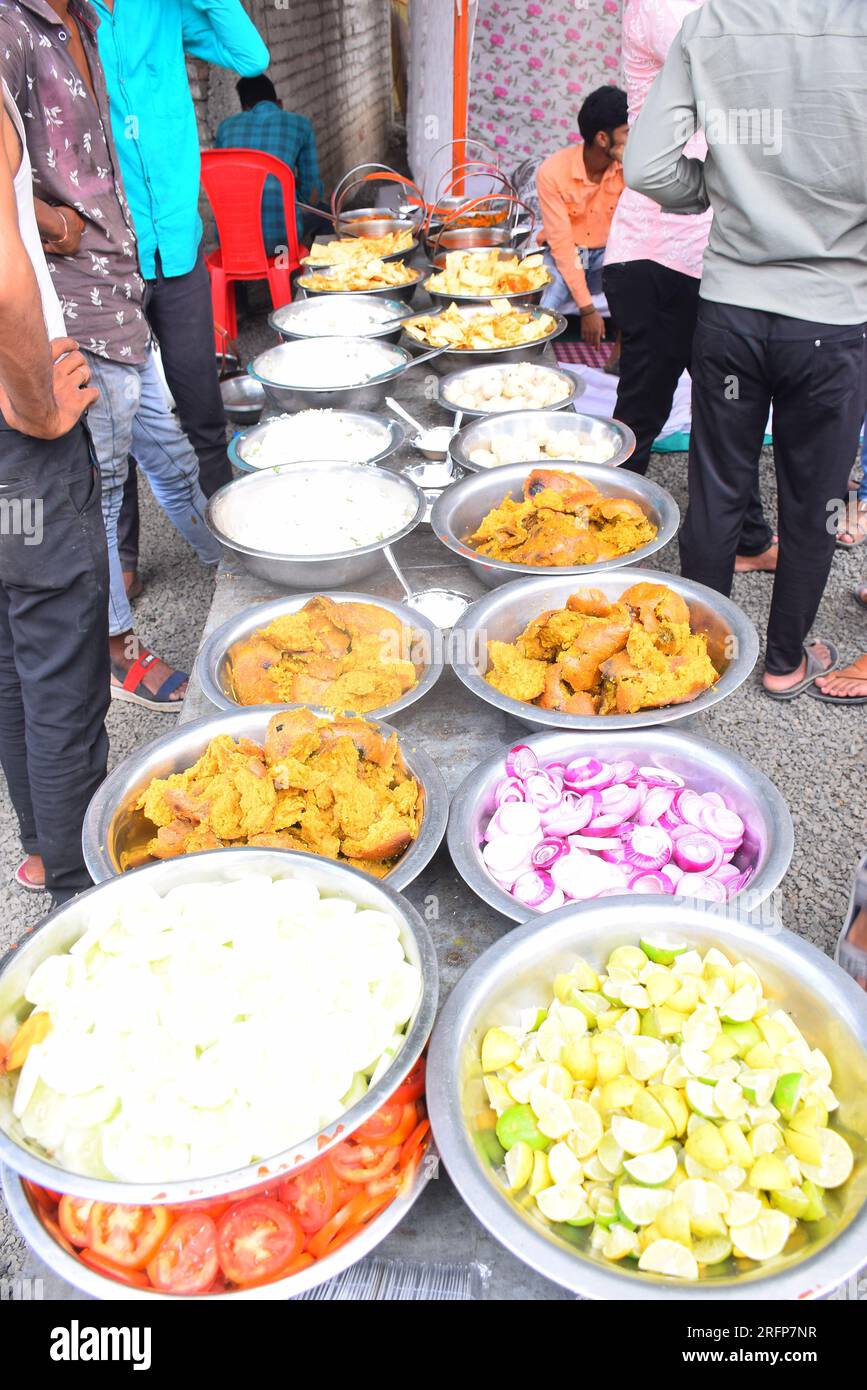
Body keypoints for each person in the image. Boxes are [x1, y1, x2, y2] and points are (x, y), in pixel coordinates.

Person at [625, 0, 867, 699]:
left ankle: (702, 660)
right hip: (832, 319)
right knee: (813, 499)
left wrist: (709, 191)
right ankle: (785, 661)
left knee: (717, 486)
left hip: (730, 311)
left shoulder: (714, 20)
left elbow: (646, 167)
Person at [0, 0, 223, 711]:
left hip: (117, 290)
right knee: (98, 493)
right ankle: (115, 654)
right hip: (69, 308)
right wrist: (50, 220)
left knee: (172, 457)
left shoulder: (87, 21)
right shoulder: (11, 25)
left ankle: (246, 571)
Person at [90, 0, 269, 600]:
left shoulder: (161, 10)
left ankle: (232, 542)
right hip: (109, 256)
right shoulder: (65, 20)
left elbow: (252, 56)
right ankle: (124, 559)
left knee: (202, 412)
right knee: (116, 425)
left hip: (179, 249)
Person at [603, 0, 775, 576]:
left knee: (731, 404)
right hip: (656, 250)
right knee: (642, 409)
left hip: (712, 255)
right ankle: (601, 541)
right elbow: (726, 62)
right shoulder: (660, 7)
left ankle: (748, 540)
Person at [0, 76, 109, 904]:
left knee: (13, 649)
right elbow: (6, 287)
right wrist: (38, 410)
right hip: (15, 446)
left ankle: (43, 846)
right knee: (60, 655)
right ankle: (81, 890)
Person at [536, 86, 628, 348]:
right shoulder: (553, 172)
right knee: (548, 299)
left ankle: (619, 356)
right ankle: (532, 362)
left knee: (636, 278)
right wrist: (587, 310)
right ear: (602, 138)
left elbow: (645, 222)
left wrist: (632, 165)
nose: (634, 139)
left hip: (606, 257)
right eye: (627, 133)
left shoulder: (628, 167)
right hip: (567, 254)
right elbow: (563, 248)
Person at [215, 74, 327, 253]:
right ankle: (309, 277)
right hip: (280, 243)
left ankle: (239, 279)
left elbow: (222, 184)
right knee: (325, 215)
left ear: (244, 108)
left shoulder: (225, 128)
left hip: (231, 241)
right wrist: (291, 188)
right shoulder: (300, 125)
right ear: (279, 104)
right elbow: (311, 193)